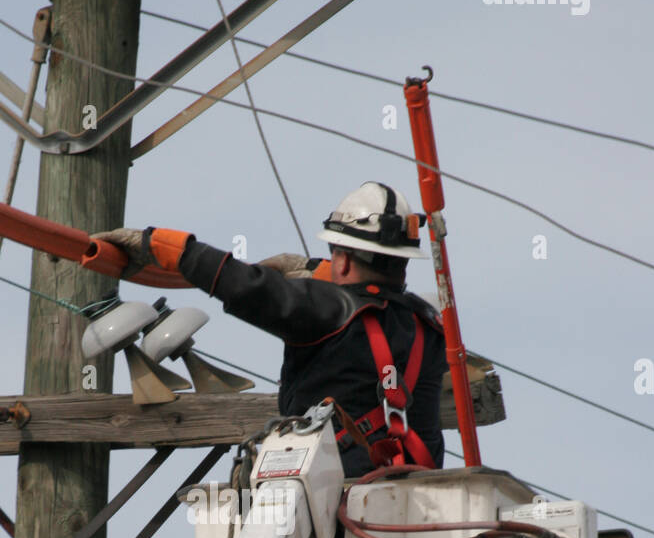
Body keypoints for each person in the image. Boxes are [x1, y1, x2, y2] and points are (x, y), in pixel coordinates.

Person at [93, 181, 447, 478]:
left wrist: (164, 246)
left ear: (342, 258)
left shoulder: (327, 310)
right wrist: (316, 271)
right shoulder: (427, 326)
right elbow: (378, 299)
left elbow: (247, 286)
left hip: (333, 498)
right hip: (413, 499)